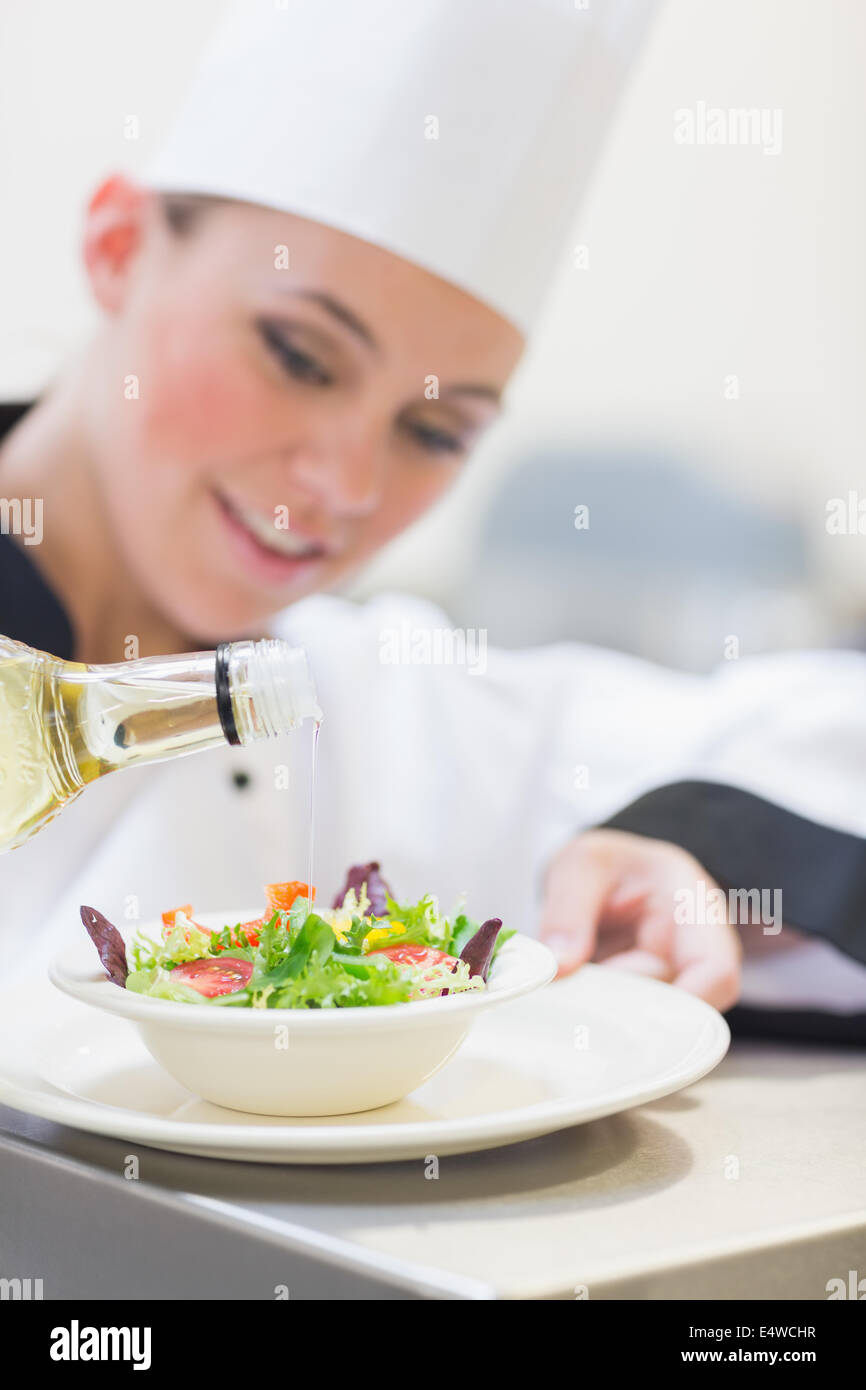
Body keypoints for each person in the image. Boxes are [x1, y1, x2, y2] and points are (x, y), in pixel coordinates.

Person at [1, 0, 865, 1041]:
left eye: (434, 429)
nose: (344, 483)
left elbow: (816, 733)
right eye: (299, 356)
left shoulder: (370, 712)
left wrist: (687, 842)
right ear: (116, 245)